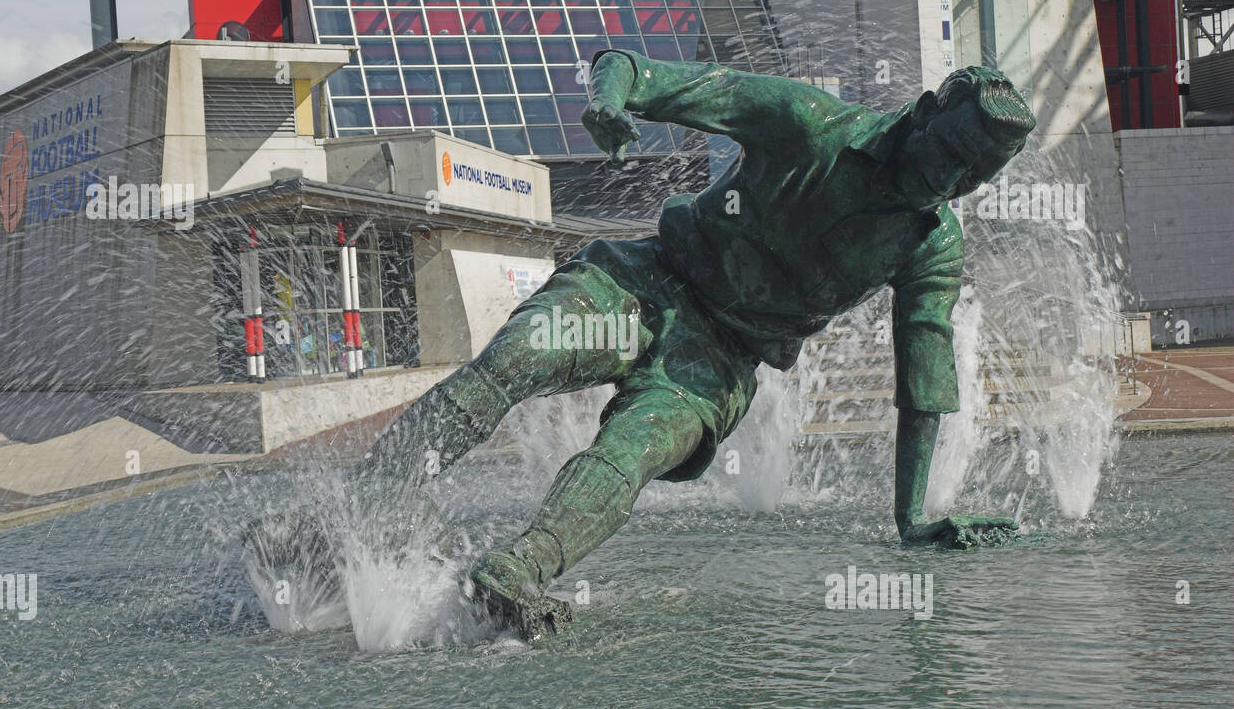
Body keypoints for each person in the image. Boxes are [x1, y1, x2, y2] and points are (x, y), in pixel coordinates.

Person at [309, 50, 1037, 638]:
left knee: (632, 451)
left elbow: (925, 377)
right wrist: (608, 101)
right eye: (950, 153)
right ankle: (354, 515)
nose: (949, 178)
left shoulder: (931, 244)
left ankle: (518, 570)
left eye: (972, 175)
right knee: (511, 363)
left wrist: (912, 518)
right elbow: (635, 69)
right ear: (926, 115)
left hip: (716, 363)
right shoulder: (807, 122)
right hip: (645, 281)